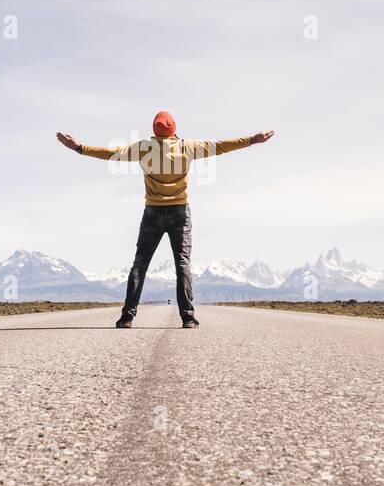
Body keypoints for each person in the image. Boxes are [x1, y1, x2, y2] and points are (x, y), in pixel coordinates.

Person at [56, 111, 274, 328]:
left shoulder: (143, 149)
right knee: (183, 263)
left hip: (152, 212)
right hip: (180, 211)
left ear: (154, 129)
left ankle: (127, 317)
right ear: (174, 129)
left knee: (140, 263)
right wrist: (252, 140)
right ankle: (188, 317)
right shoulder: (187, 147)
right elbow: (222, 146)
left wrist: (79, 147)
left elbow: (111, 153)